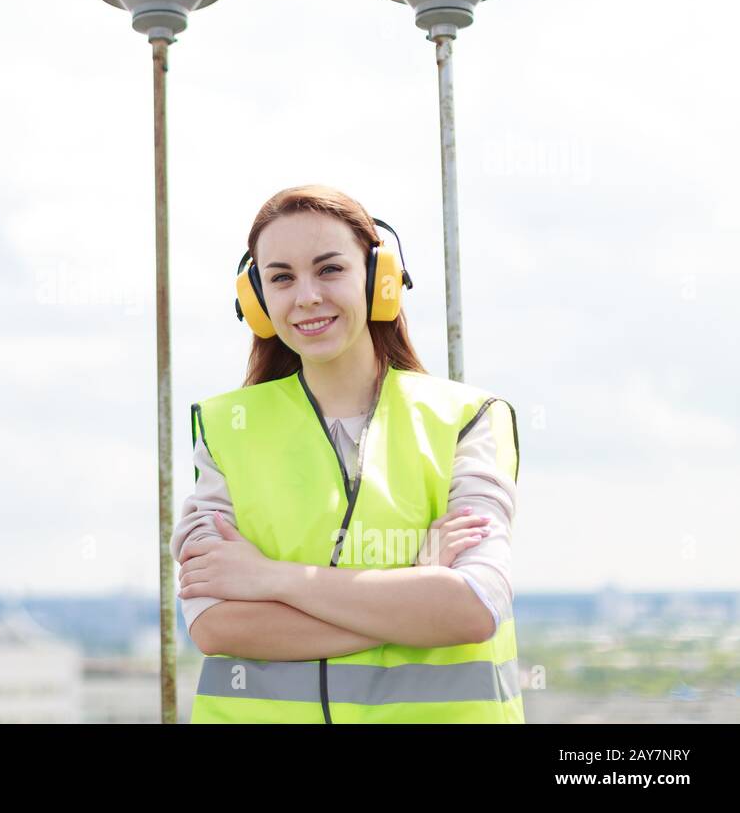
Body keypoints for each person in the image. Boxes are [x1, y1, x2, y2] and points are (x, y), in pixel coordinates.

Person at [171, 185, 523, 723]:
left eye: (330, 269)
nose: (307, 296)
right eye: (282, 277)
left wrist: (270, 578)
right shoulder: (225, 431)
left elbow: (472, 607)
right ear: (258, 300)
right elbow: (216, 625)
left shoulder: (465, 421)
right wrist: (414, 587)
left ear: (379, 281)